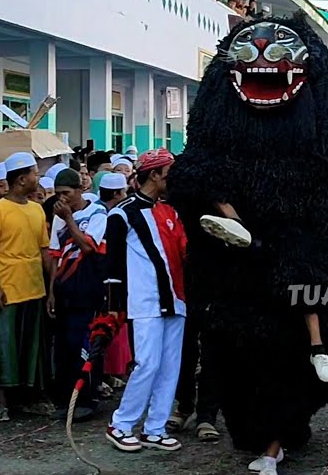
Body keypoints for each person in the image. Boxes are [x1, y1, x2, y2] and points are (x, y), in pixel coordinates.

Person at [104, 150, 185, 452]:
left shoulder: (171, 210)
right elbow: (111, 266)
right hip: (145, 300)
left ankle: (155, 428)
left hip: (177, 298)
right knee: (147, 364)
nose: (173, 178)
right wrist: (112, 307)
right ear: (154, 175)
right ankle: (121, 424)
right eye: (169, 172)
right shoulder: (121, 213)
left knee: (169, 367)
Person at [0, 152, 53, 421]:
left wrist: (51, 288)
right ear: (22, 179)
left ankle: (30, 398)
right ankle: (1, 401)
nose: (37, 177)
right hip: (7, 287)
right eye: (34, 173)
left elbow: (44, 251)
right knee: (4, 345)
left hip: (34, 287)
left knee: (32, 347)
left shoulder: (36, 209)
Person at [48, 168, 109, 419]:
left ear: (80, 189)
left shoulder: (97, 213)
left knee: (83, 344)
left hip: (87, 287)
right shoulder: (58, 217)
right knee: (63, 347)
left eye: (66, 193)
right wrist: (51, 291)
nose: (62, 199)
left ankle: (87, 398)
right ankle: (65, 400)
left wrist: (70, 219)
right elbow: (54, 255)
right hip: (64, 288)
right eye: (58, 194)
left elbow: (88, 246)